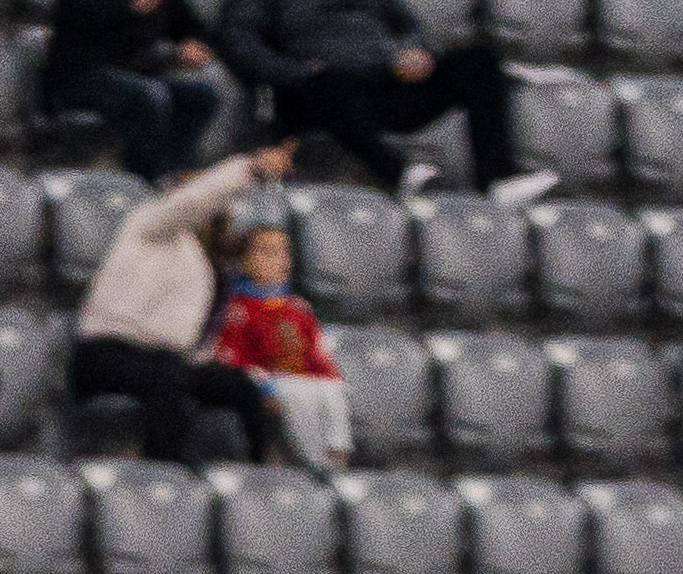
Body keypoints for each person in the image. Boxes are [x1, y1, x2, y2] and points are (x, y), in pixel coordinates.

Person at [72, 142, 296, 469]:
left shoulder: (207, 268)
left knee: (240, 387)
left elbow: (190, 342)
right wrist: (251, 170)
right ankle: (165, 474)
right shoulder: (149, 224)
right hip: (105, 352)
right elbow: (192, 202)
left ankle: (257, 475)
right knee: (166, 377)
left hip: (168, 360)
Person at [220, 0, 547, 203]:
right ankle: (397, 173)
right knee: (329, 84)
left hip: (384, 83)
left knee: (480, 61)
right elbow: (238, 41)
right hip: (313, 91)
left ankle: (499, 179)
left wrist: (415, 52)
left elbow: (405, 24)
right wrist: (295, 71)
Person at [205, 219, 344, 467]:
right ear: (245, 261)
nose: (280, 260)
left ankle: (335, 461)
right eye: (269, 252)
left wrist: (326, 382)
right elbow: (231, 361)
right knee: (295, 392)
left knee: (330, 388)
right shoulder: (236, 309)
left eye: (284, 252)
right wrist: (266, 388)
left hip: (303, 389)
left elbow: (320, 360)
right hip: (267, 388)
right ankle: (314, 464)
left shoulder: (299, 309)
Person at [42, 0, 234, 176]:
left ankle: (175, 174)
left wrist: (194, 44)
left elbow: (192, 26)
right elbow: (78, 20)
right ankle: (144, 180)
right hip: (79, 78)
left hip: (134, 79)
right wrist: (127, 10)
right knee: (150, 97)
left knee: (201, 97)